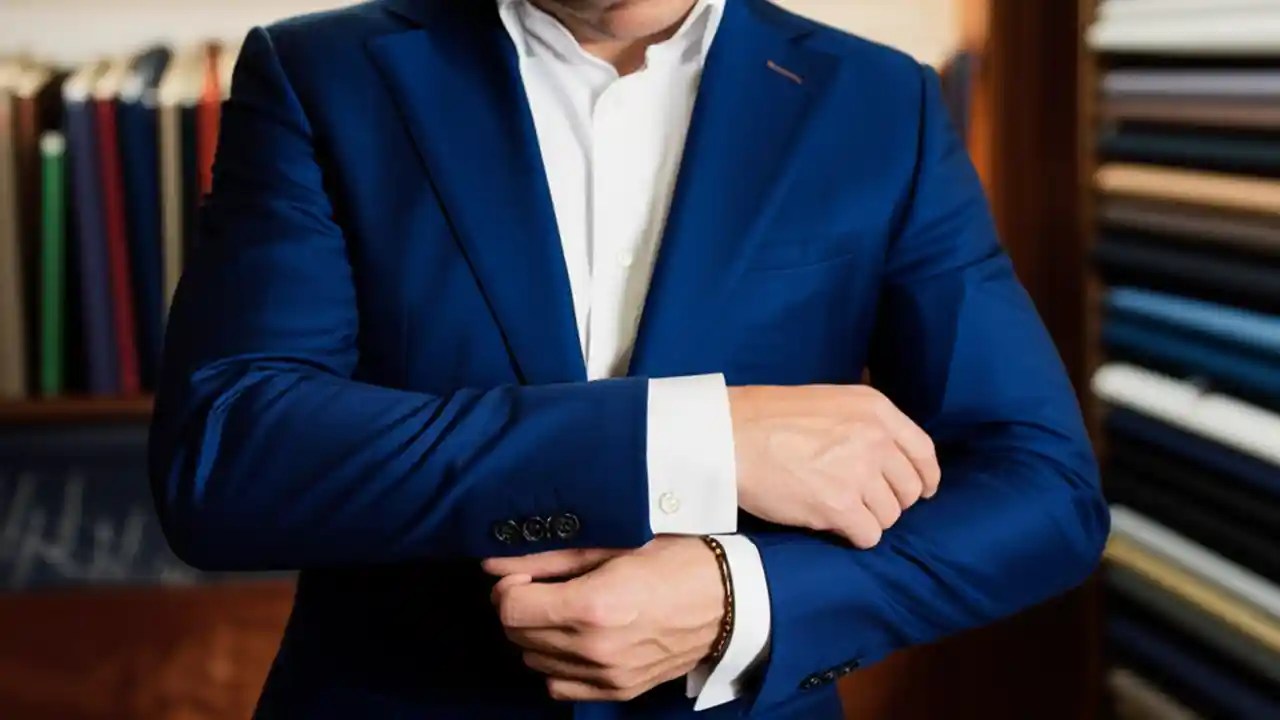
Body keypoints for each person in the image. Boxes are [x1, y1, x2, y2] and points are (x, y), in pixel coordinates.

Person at [148, 0, 1110, 717]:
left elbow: (1042, 488)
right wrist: (697, 439)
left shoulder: (881, 102)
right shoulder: (321, 74)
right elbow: (227, 456)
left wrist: (742, 598)